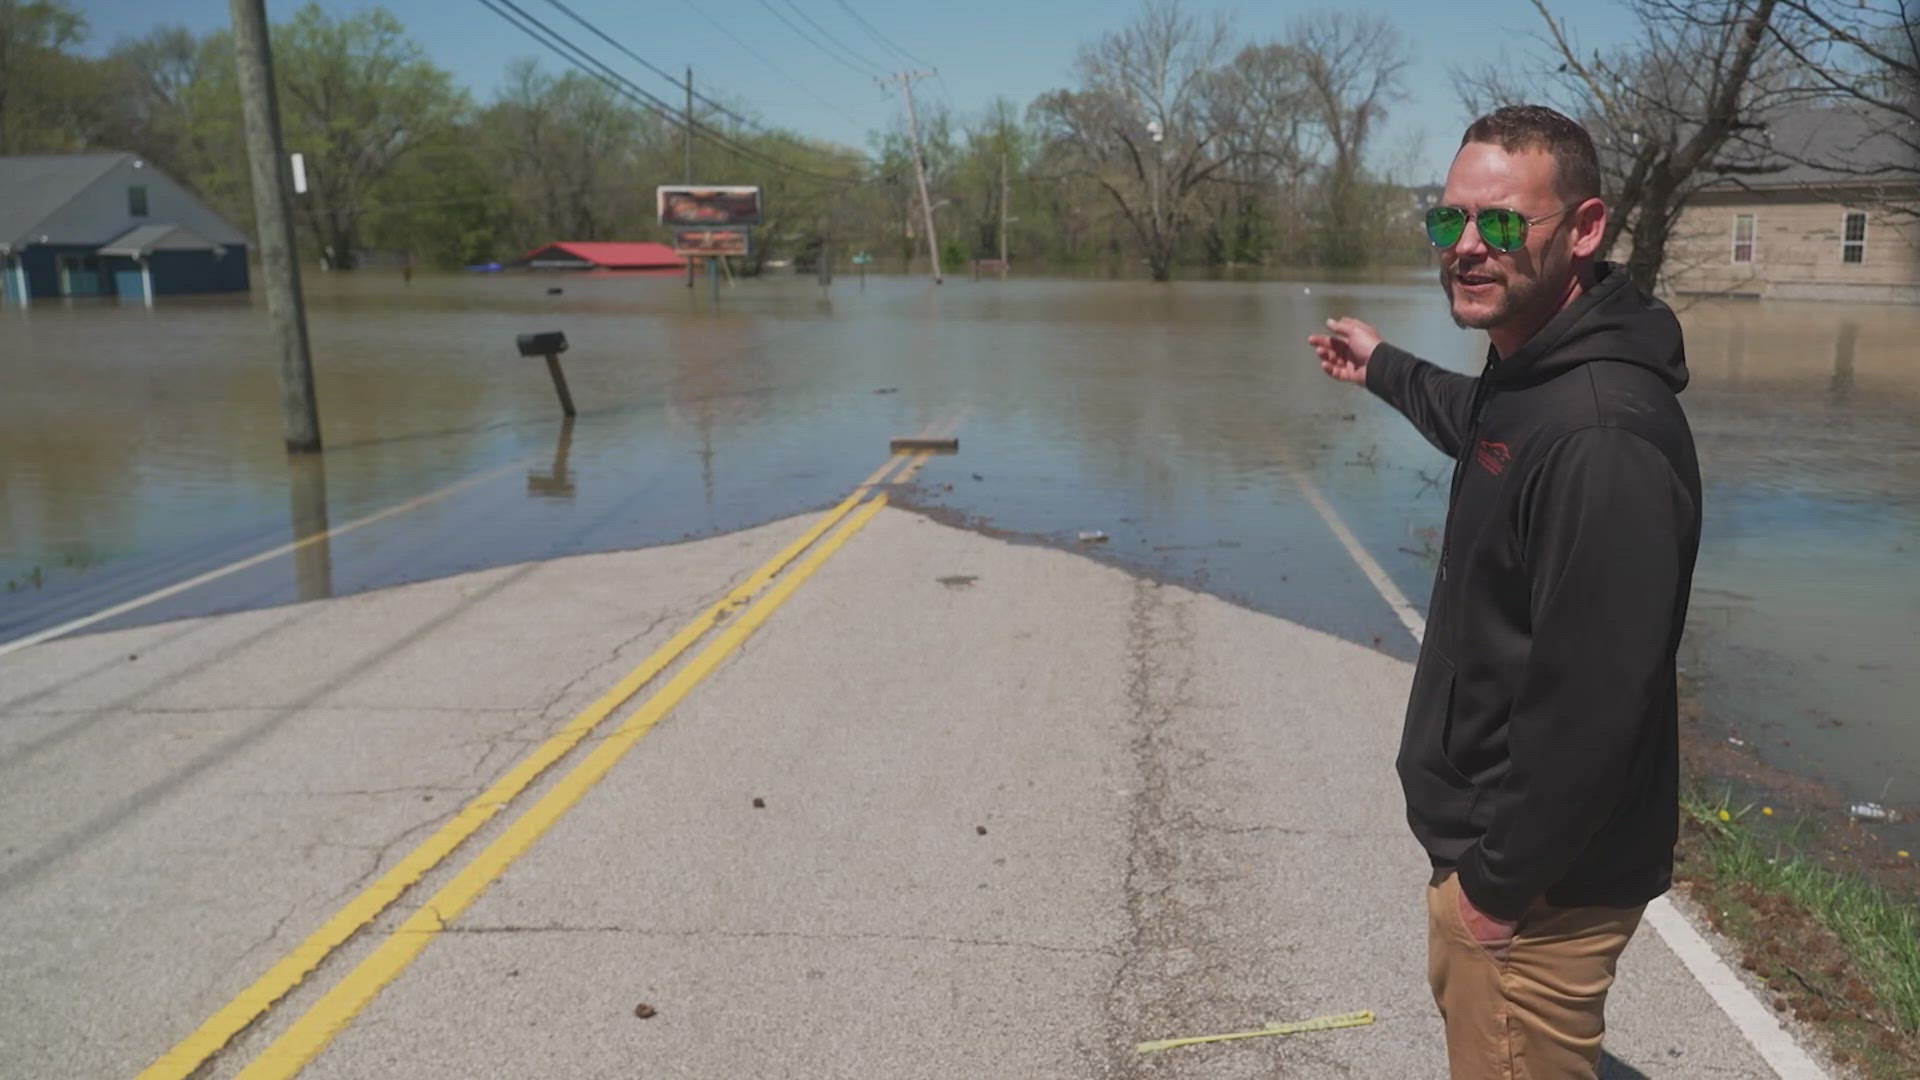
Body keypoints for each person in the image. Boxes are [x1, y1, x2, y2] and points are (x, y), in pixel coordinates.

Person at [1308, 105, 1702, 1078]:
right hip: (1507, 866)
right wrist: (1387, 370)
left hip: (1535, 897)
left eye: (1500, 223)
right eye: (1450, 223)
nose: (1468, 247)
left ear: (1584, 228)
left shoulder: (1602, 439)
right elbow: (1485, 427)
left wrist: (1490, 890)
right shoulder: (1534, 375)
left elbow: (1596, 708)